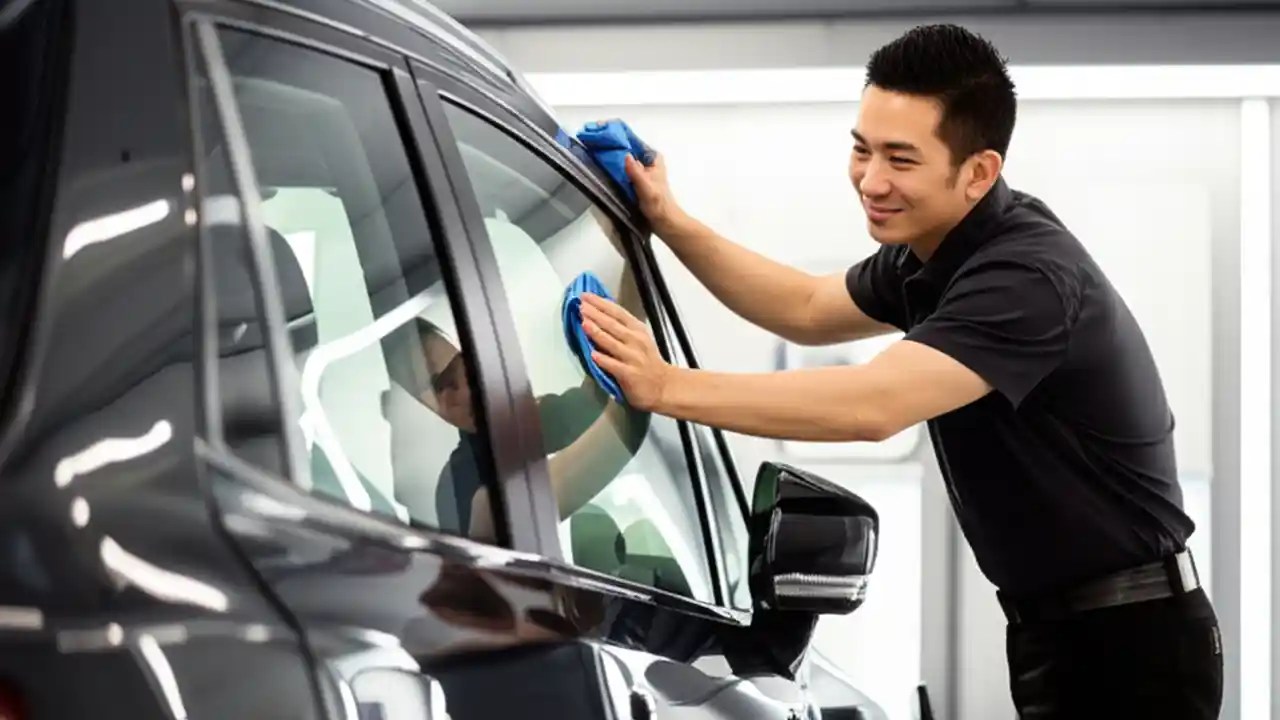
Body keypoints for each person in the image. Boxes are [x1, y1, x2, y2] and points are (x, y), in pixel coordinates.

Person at [580, 23, 1222, 718]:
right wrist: (670, 221)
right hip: (1057, 630)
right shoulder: (930, 253)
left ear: (977, 172)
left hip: (1134, 645)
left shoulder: (1025, 276)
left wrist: (667, 386)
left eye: (901, 159)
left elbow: (873, 406)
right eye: (862, 150)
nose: (871, 180)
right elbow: (804, 304)